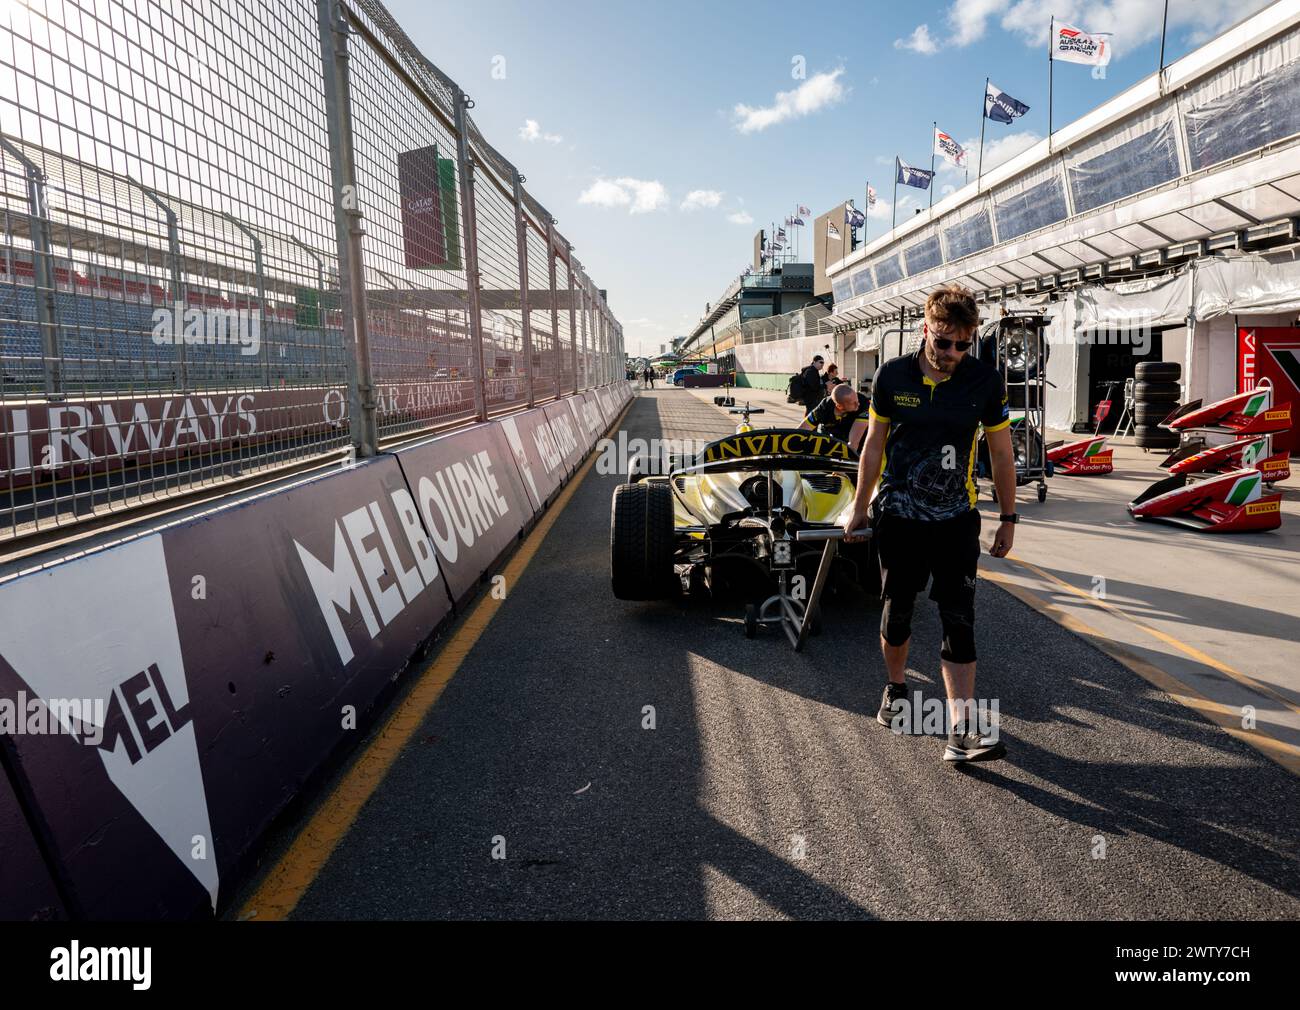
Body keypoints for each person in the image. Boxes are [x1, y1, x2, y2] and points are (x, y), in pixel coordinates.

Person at [841, 284, 1018, 764]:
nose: (953, 353)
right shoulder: (891, 376)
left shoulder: (984, 381)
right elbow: (874, 444)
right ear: (926, 330)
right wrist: (860, 505)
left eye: (964, 344)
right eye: (944, 342)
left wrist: (1008, 517)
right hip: (899, 516)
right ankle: (896, 689)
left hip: (957, 518)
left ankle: (961, 729)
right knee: (898, 613)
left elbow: (1001, 453)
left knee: (959, 618)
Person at [799, 382, 869, 452]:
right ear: (839, 406)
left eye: (857, 400)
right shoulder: (824, 407)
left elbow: (853, 443)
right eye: (853, 403)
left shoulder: (863, 403)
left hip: (859, 441)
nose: (858, 404)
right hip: (833, 437)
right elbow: (802, 429)